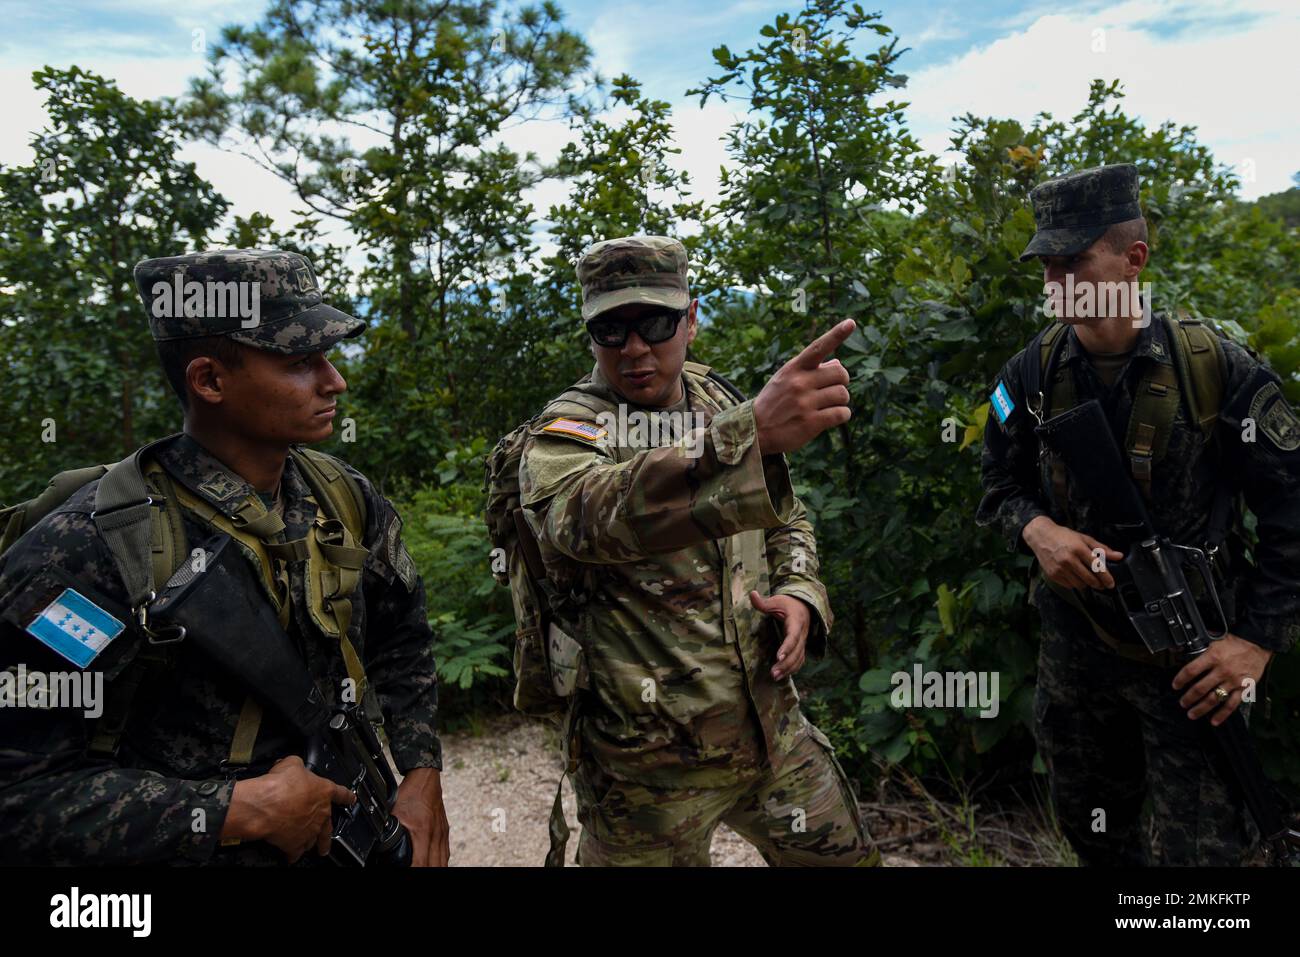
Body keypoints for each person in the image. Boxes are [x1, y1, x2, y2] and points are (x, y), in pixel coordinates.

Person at [0, 249, 449, 866]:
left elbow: (402, 637)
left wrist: (421, 777)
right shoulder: (90, 549)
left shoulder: (340, 496)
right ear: (208, 380)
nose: (334, 380)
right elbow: (21, 793)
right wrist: (232, 810)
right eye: (300, 362)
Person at [517, 234, 878, 866]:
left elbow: (784, 516)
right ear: (590, 335)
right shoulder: (569, 431)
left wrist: (800, 592)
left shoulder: (718, 399)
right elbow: (580, 519)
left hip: (769, 734)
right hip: (647, 773)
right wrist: (743, 436)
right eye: (611, 330)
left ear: (690, 320)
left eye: (654, 323)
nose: (635, 349)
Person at [977, 164, 1300, 865]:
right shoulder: (1026, 377)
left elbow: (1292, 507)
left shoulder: (1214, 367)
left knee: (1204, 856)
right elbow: (996, 485)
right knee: (1094, 833)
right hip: (1080, 653)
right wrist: (1039, 531)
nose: (1056, 280)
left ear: (1134, 259)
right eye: (1047, 263)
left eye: (1074, 260)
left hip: (1198, 659)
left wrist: (1256, 643)